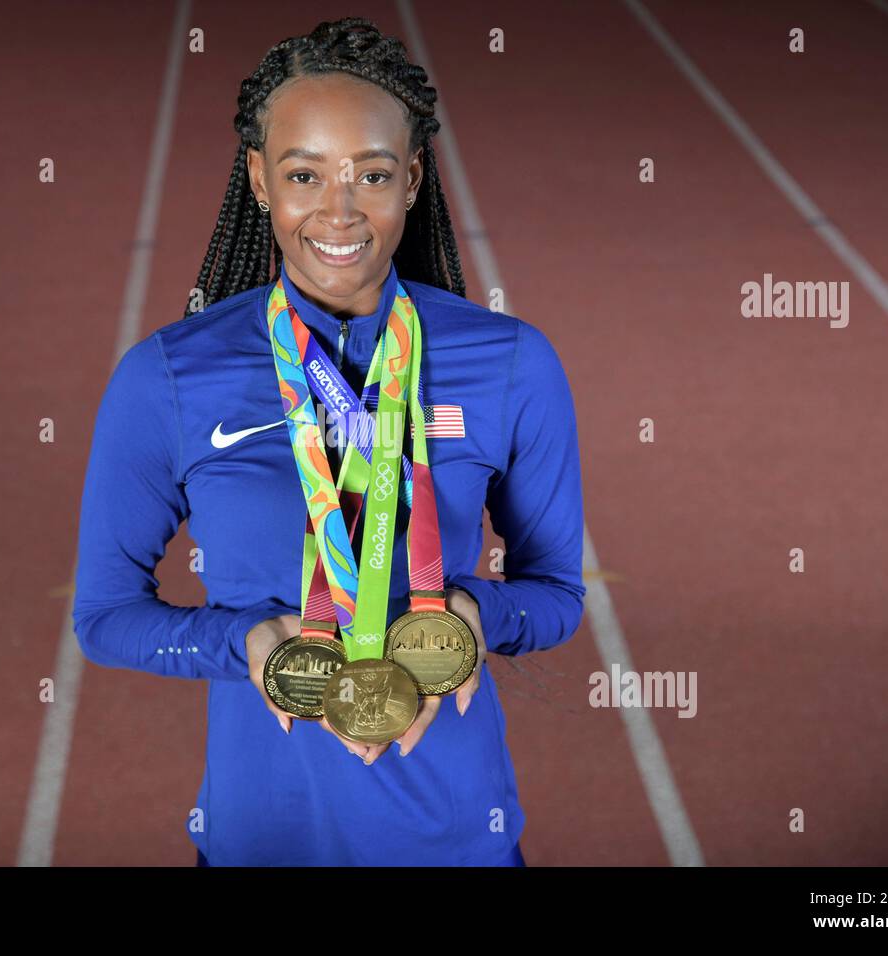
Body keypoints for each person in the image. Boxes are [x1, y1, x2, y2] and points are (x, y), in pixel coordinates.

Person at [72, 17, 586, 866]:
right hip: (259, 835)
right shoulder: (166, 377)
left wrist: (472, 616)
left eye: (372, 174)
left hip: (458, 837)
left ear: (412, 178)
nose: (339, 211)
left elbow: (558, 594)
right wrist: (240, 643)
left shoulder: (512, 364)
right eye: (304, 173)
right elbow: (102, 618)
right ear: (259, 180)